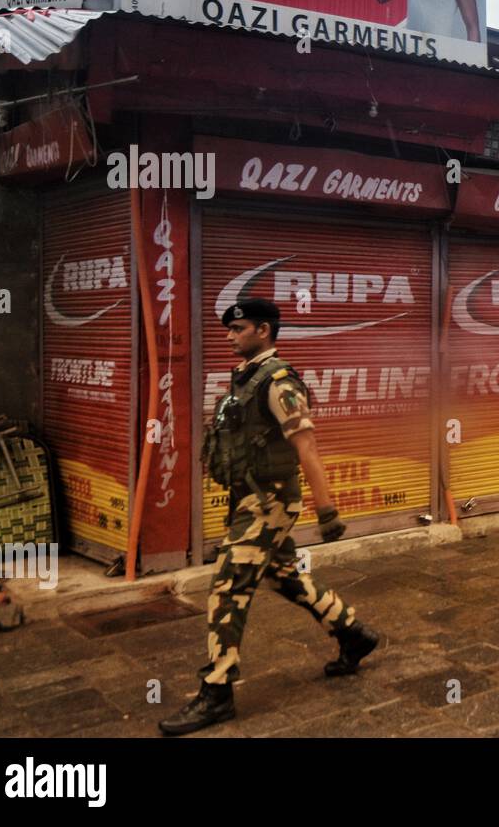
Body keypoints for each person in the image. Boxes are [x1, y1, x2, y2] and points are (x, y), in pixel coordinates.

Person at [160, 300, 379, 736]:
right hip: (249, 500)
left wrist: (327, 510)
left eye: (238, 329)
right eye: (229, 329)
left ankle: (217, 691)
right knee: (285, 577)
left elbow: (307, 446)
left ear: (263, 330)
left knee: (227, 588)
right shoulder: (246, 378)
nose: (229, 336)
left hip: (269, 503)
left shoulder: (279, 383)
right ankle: (353, 633)